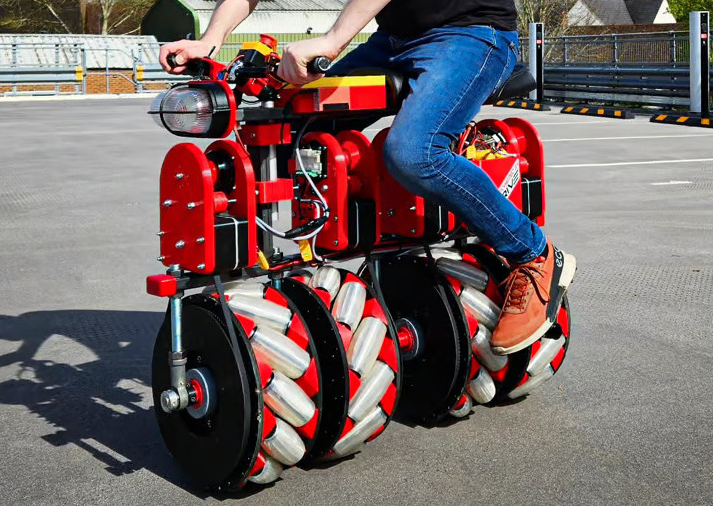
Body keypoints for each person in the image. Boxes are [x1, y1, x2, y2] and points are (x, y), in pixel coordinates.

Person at [159, 0, 576, 355]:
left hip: (469, 34)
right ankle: (331, 259)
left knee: (413, 153)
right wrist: (208, 41)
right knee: (292, 132)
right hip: (391, 42)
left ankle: (532, 254)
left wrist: (331, 40)